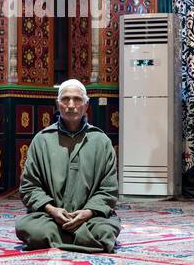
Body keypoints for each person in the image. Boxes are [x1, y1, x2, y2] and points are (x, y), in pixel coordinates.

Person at [16, 79, 121, 253]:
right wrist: (52, 210)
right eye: (65, 99)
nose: (71, 105)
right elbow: (29, 187)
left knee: (105, 230)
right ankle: (84, 239)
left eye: (77, 100)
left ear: (86, 105)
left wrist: (88, 212)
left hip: (90, 218)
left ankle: (63, 237)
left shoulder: (101, 141)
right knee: (30, 228)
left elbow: (108, 189)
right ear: (58, 104)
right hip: (50, 217)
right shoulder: (42, 140)